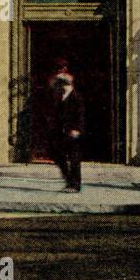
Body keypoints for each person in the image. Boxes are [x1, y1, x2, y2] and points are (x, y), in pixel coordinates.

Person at [50, 59, 84, 193]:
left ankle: (75, 185)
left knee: (74, 159)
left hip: (73, 132)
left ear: (67, 85)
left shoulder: (76, 97)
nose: (58, 87)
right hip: (62, 131)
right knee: (59, 156)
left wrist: (77, 129)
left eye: (60, 85)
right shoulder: (61, 97)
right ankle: (70, 181)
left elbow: (80, 115)